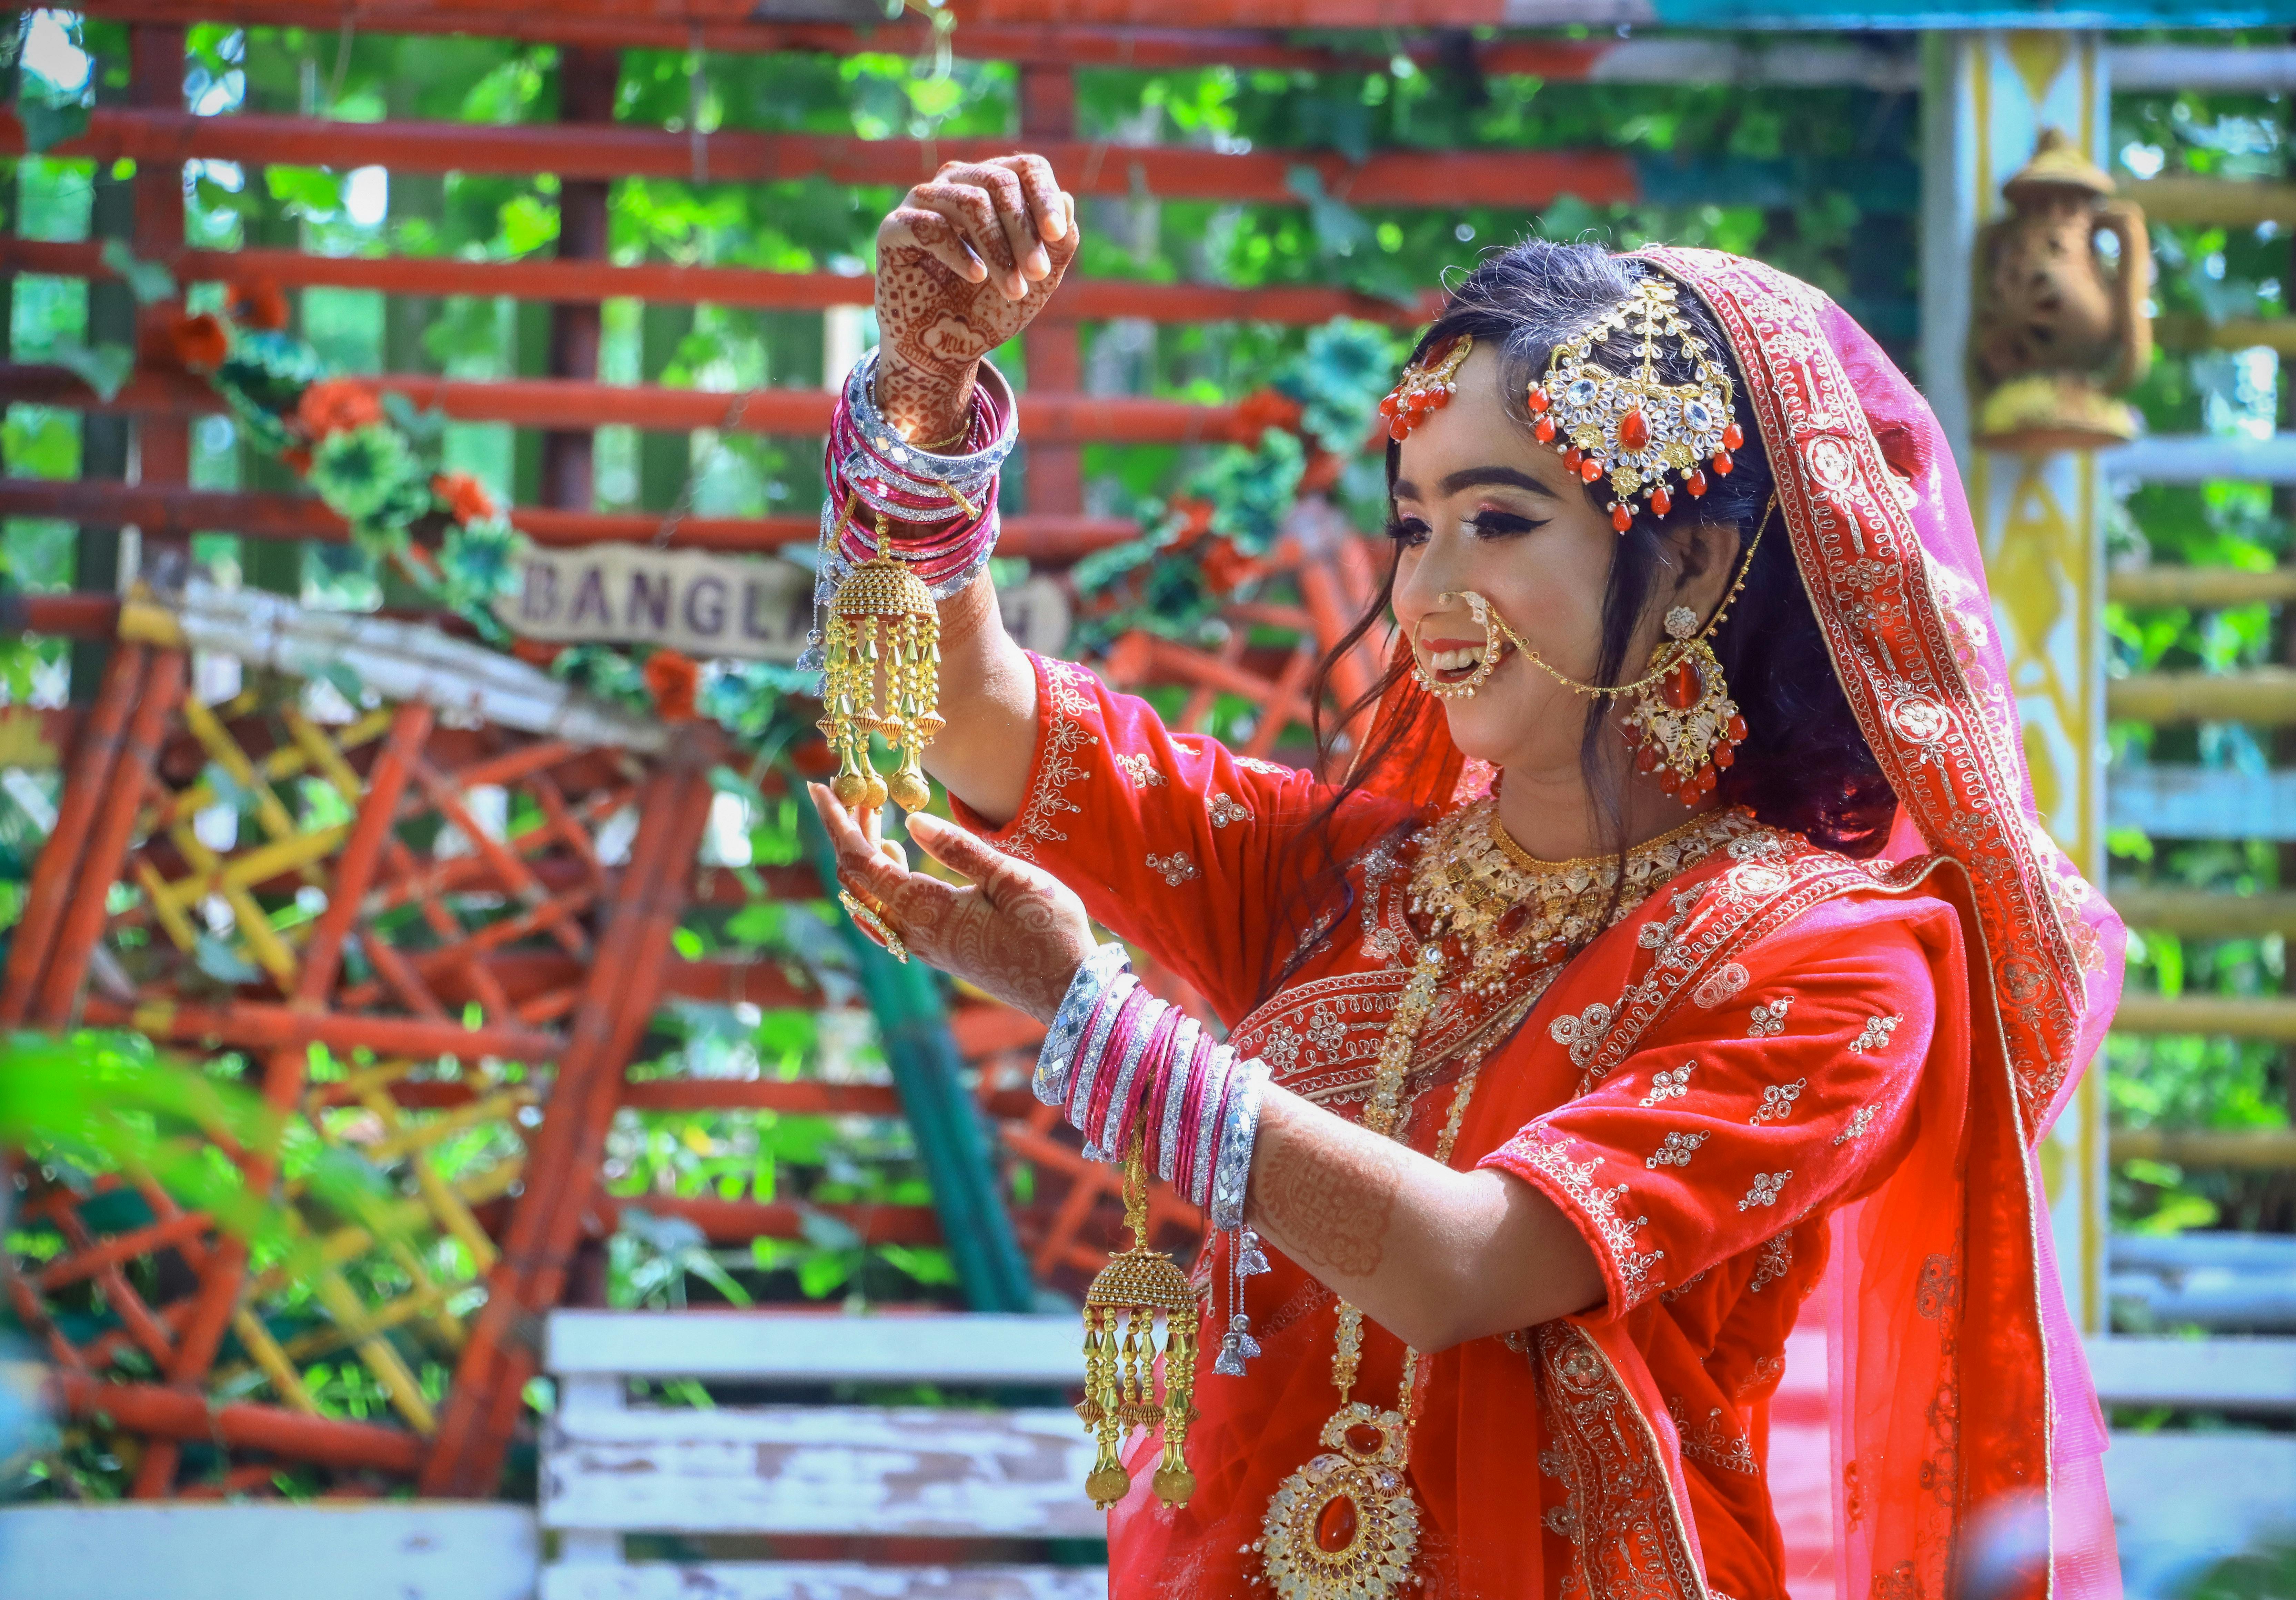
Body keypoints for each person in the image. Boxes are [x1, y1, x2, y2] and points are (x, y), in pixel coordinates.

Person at [808, 154, 2127, 1600]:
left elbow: (1465, 1265)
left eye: (1498, 521)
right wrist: (925, 399)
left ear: (1684, 562)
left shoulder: (1837, 965)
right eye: (1414, 526)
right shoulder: (1342, 876)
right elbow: (964, 707)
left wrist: (1090, 1024)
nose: (1429, 596)